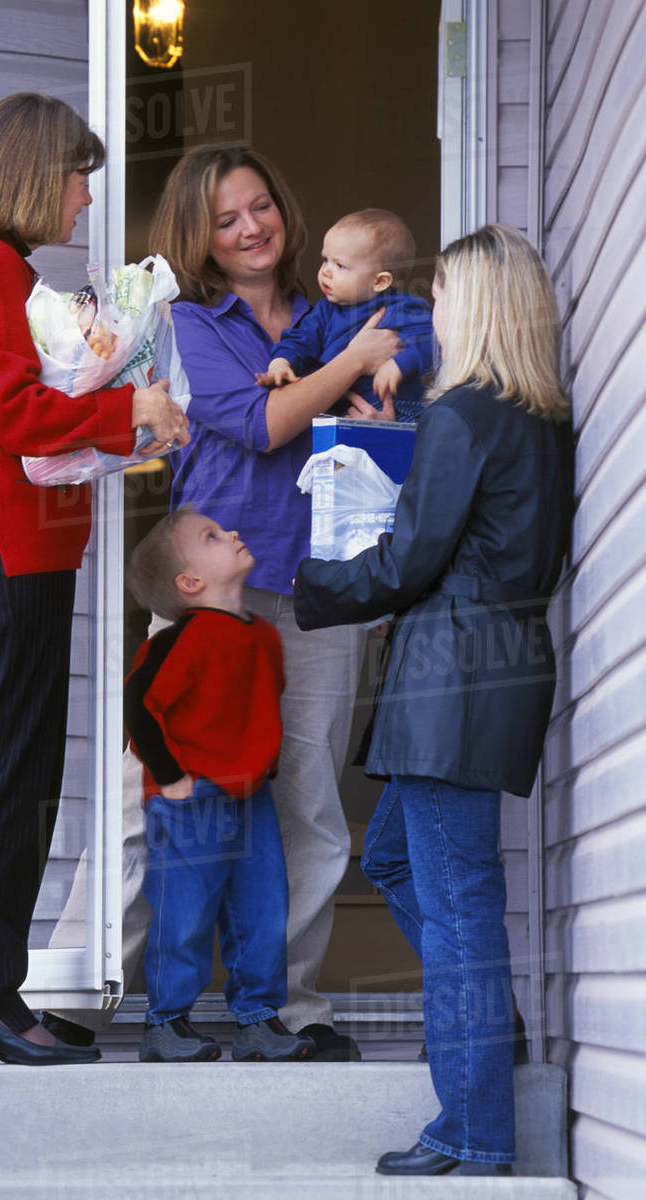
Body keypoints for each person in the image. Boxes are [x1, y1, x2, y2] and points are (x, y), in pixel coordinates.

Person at [0, 92, 189, 1067]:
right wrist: (127, 407)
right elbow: (14, 417)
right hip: (4, 554)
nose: (83, 201)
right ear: (32, 175)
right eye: (77, 179)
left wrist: (61, 367)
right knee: (7, 792)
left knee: (13, 784)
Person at [293, 224, 573, 1174]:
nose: (432, 309)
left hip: (451, 677)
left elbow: (411, 560)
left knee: (457, 908)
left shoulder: (462, 415)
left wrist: (317, 584)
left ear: (481, 309)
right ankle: (487, 1029)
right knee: (400, 864)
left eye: (444, 293)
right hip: (494, 668)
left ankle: (471, 1131)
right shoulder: (539, 420)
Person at [148, 144, 402, 1060]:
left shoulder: (330, 315)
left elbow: (356, 429)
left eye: (261, 206)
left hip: (321, 590)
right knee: (180, 800)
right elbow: (260, 425)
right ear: (199, 237)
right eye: (226, 218)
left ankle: (287, 1009)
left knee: (308, 807)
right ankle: (139, 998)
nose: (252, 227)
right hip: (214, 599)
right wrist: (358, 357)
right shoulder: (188, 323)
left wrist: (375, 399)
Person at [124, 508, 315, 1063]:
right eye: (210, 537)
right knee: (184, 913)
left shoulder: (264, 637)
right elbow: (140, 706)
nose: (233, 533)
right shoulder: (182, 640)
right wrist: (170, 777)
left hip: (250, 796)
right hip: (193, 797)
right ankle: (165, 1023)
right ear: (190, 583)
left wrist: (261, 770)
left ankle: (258, 1019)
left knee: (262, 910)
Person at [265, 209, 433, 422]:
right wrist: (281, 361)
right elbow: (300, 339)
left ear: (380, 282)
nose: (325, 271)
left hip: (397, 407)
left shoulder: (403, 308)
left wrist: (399, 364)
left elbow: (431, 343)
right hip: (338, 409)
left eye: (340, 265)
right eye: (325, 260)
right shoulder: (325, 311)